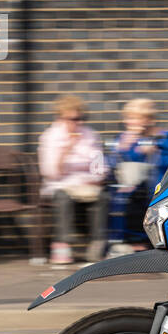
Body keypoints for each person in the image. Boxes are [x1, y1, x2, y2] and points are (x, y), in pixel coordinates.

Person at [38, 95, 109, 266]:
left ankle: (96, 246)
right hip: (60, 185)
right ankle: (62, 245)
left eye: (80, 119)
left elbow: (100, 167)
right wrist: (67, 148)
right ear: (60, 118)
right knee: (63, 198)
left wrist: (94, 179)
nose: (77, 123)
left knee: (103, 197)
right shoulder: (50, 137)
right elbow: (50, 172)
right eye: (71, 119)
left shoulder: (90, 135)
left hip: (86, 185)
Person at [106, 98, 168, 255]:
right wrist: (124, 148)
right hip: (133, 188)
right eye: (129, 118)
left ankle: (146, 242)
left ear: (148, 119)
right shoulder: (126, 138)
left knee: (143, 196)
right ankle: (128, 241)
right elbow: (115, 163)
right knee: (120, 196)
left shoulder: (164, 137)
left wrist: (155, 151)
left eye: (136, 118)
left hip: (159, 187)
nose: (131, 122)